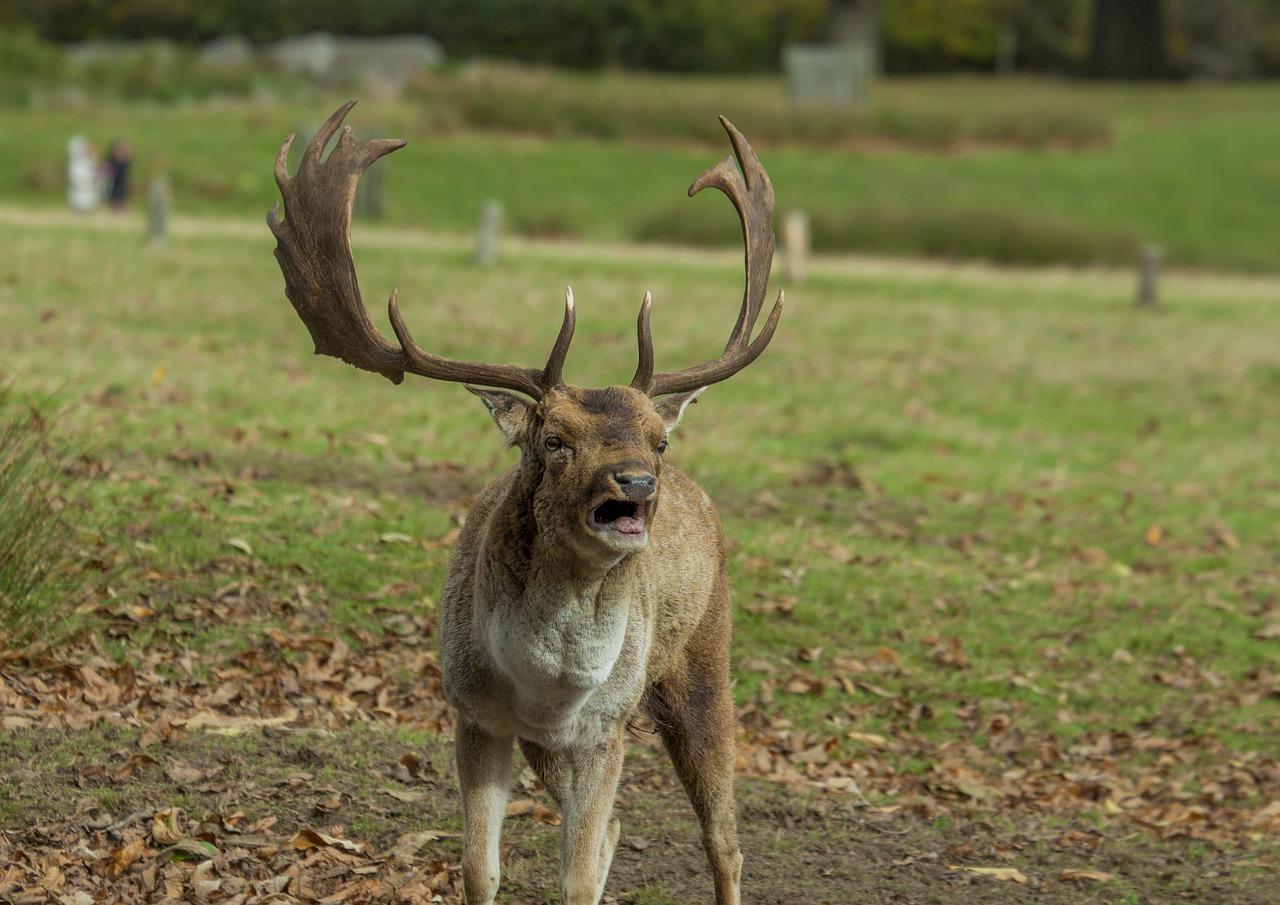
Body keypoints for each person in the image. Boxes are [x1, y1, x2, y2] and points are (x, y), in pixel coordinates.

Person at [66, 136, 99, 213]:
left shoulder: (91, 161)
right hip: (79, 194)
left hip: (89, 193)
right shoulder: (76, 164)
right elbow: (76, 178)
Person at [103, 139, 132, 213]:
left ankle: (119, 208)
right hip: (114, 186)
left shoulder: (125, 164)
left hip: (121, 186)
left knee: (120, 193)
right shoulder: (111, 161)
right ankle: (116, 207)